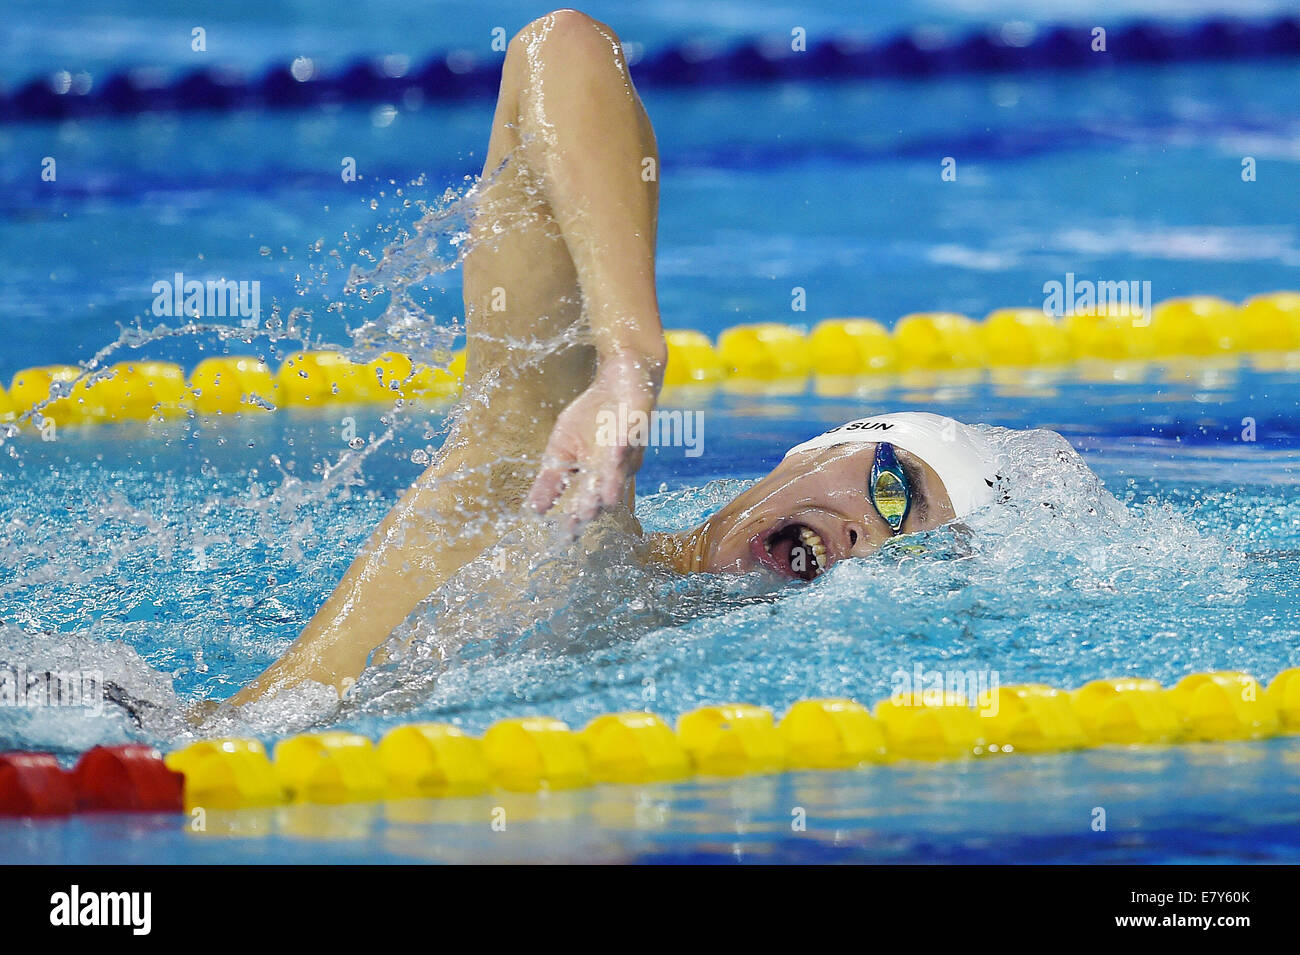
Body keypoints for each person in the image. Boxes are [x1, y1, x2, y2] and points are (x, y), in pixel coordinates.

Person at [224, 10, 998, 710]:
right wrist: (628, 356)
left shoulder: (672, 677)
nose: (874, 540)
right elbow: (561, 48)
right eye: (895, 491)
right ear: (811, 453)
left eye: (908, 563)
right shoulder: (559, 508)